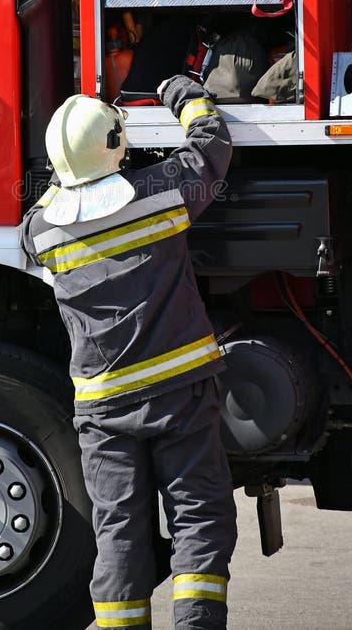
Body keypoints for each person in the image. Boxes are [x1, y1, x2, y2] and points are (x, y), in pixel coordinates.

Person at [19, 73, 237, 630]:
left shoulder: (43, 234)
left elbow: (35, 218)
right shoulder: (161, 194)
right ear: (117, 145)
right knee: (199, 516)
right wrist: (182, 94)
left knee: (118, 530)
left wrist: (67, 174)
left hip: (103, 411)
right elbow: (210, 148)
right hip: (180, 396)